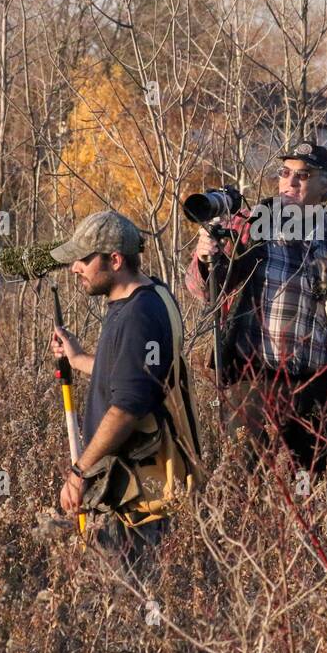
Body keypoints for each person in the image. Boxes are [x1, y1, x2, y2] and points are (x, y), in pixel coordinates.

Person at [185, 138, 327, 477]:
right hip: (251, 379)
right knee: (242, 481)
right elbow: (200, 289)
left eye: (303, 175)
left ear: (324, 187)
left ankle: (308, 528)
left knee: (312, 483)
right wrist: (206, 256)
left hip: (316, 383)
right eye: (285, 172)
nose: (291, 182)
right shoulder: (250, 224)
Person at [50, 210, 200, 560]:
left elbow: (127, 408)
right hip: (133, 482)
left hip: (135, 489)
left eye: (84, 260)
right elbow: (131, 376)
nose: (75, 268)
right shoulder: (153, 294)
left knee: (129, 593)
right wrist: (79, 359)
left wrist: (78, 473)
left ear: (114, 259)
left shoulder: (139, 316)